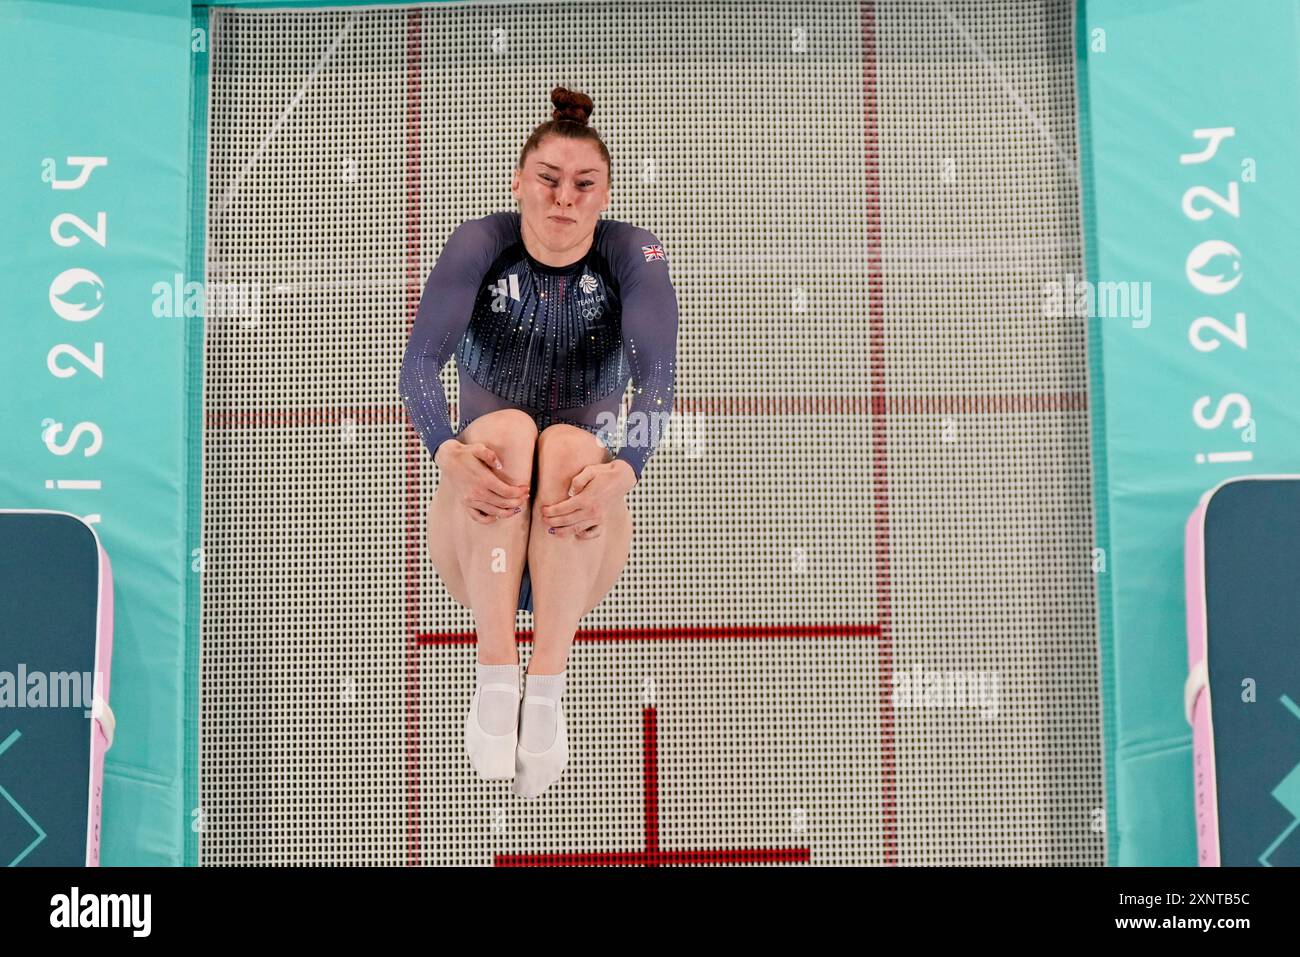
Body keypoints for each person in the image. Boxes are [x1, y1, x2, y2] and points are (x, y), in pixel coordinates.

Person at [399, 86, 679, 798]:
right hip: (478, 531)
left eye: (584, 185)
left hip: (580, 535)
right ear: (518, 181)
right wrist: (446, 452)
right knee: (506, 432)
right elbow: (418, 363)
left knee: (568, 447)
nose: (565, 199)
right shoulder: (479, 243)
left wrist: (629, 472)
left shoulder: (634, 254)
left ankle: (546, 687)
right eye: (549, 180)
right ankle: (497, 674)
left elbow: (659, 374)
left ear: (605, 195)